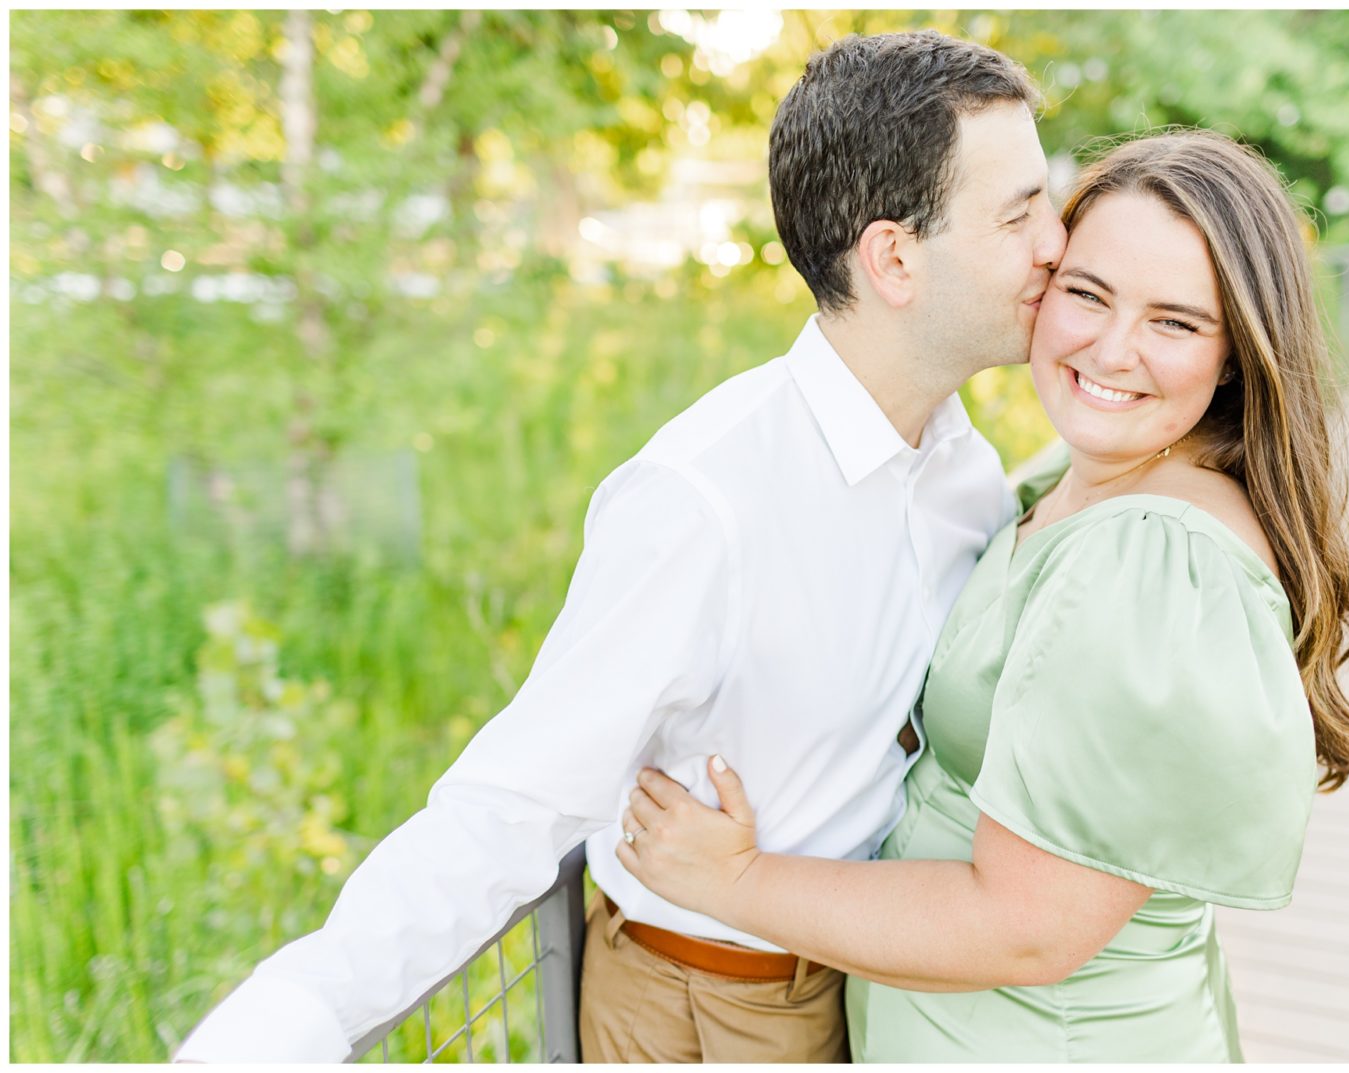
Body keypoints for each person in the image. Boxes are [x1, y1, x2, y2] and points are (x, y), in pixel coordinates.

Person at [174, 31, 1067, 1063]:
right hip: (699, 1007)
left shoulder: (962, 467)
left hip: (870, 987)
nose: (1057, 241)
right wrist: (299, 1014)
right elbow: (513, 803)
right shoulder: (703, 500)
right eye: (1019, 212)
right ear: (893, 257)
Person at [616, 128, 1349, 1062]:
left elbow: (1027, 926)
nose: (1113, 349)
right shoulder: (1093, 494)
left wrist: (735, 880)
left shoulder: (1151, 559)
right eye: (1088, 293)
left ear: (1236, 354)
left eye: (1175, 322)